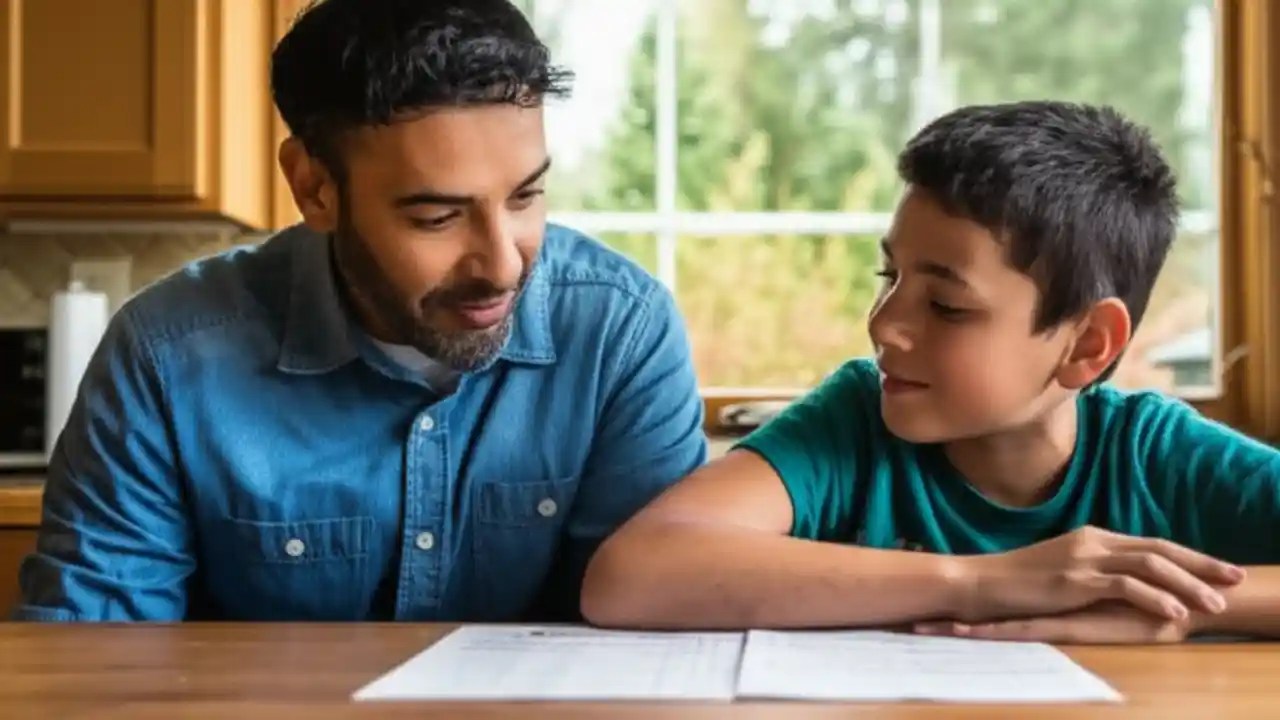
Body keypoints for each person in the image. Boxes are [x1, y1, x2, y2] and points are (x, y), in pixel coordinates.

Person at [15, 0, 706, 622]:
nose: (502, 263)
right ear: (313, 188)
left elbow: (659, 626)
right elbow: (90, 649)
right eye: (437, 216)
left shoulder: (621, 332)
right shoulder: (167, 356)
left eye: (525, 198)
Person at [581, 100, 1280, 644]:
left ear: (1087, 345)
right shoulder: (853, 423)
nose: (883, 323)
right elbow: (631, 576)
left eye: (946, 305)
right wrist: (985, 582)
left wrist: (1185, 606)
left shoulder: (1157, 457)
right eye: (889, 276)